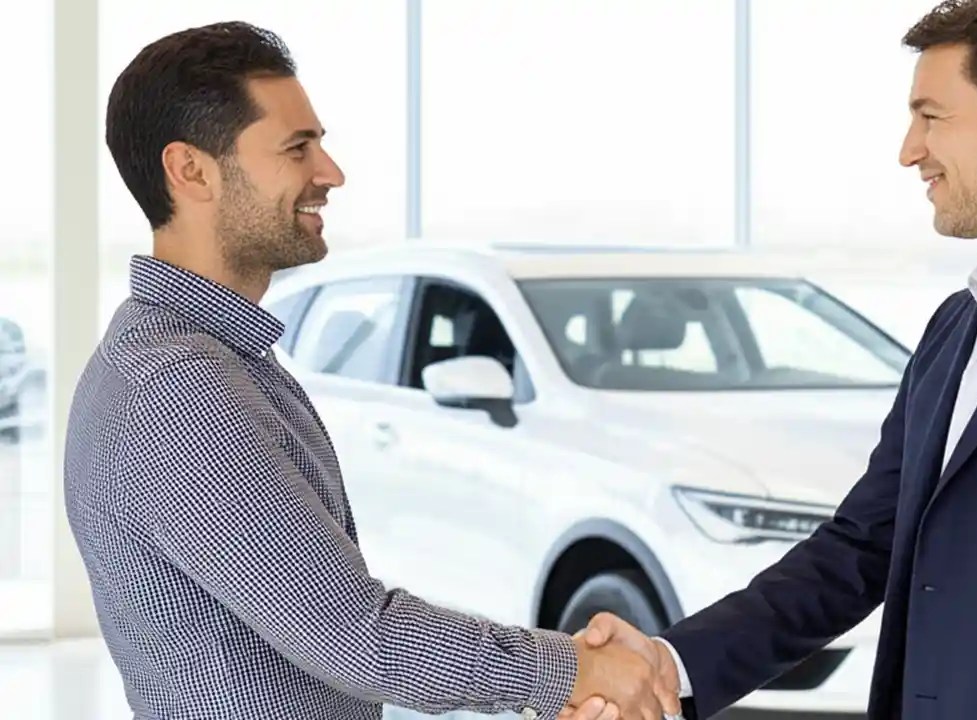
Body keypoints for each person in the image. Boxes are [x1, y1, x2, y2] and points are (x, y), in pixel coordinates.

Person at [567, 1, 977, 718]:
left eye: (932, 116)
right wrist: (671, 664)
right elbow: (857, 550)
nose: (908, 149)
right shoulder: (956, 327)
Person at [64, 21, 675, 720]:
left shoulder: (210, 359)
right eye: (298, 148)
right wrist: (567, 668)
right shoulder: (176, 388)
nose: (330, 173)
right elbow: (360, 636)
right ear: (191, 170)